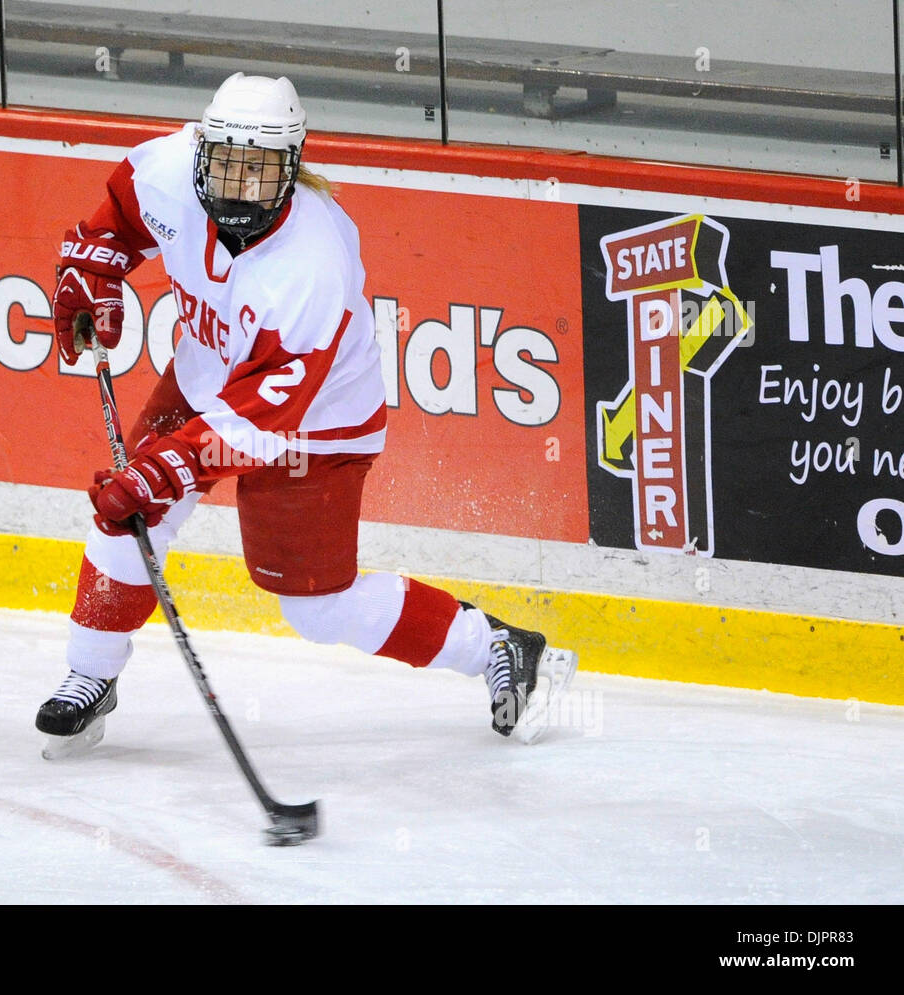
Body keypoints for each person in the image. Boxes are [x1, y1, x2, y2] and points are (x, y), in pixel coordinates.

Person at [37, 72, 576, 754]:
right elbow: (114, 222)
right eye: (225, 163)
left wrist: (165, 465)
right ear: (203, 150)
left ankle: (497, 644)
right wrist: (93, 271)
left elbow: (262, 418)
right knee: (129, 514)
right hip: (211, 377)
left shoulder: (312, 265)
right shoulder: (169, 168)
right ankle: (90, 674)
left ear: (292, 169)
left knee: (318, 609)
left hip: (314, 424)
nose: (237, 185)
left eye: (258, 171)